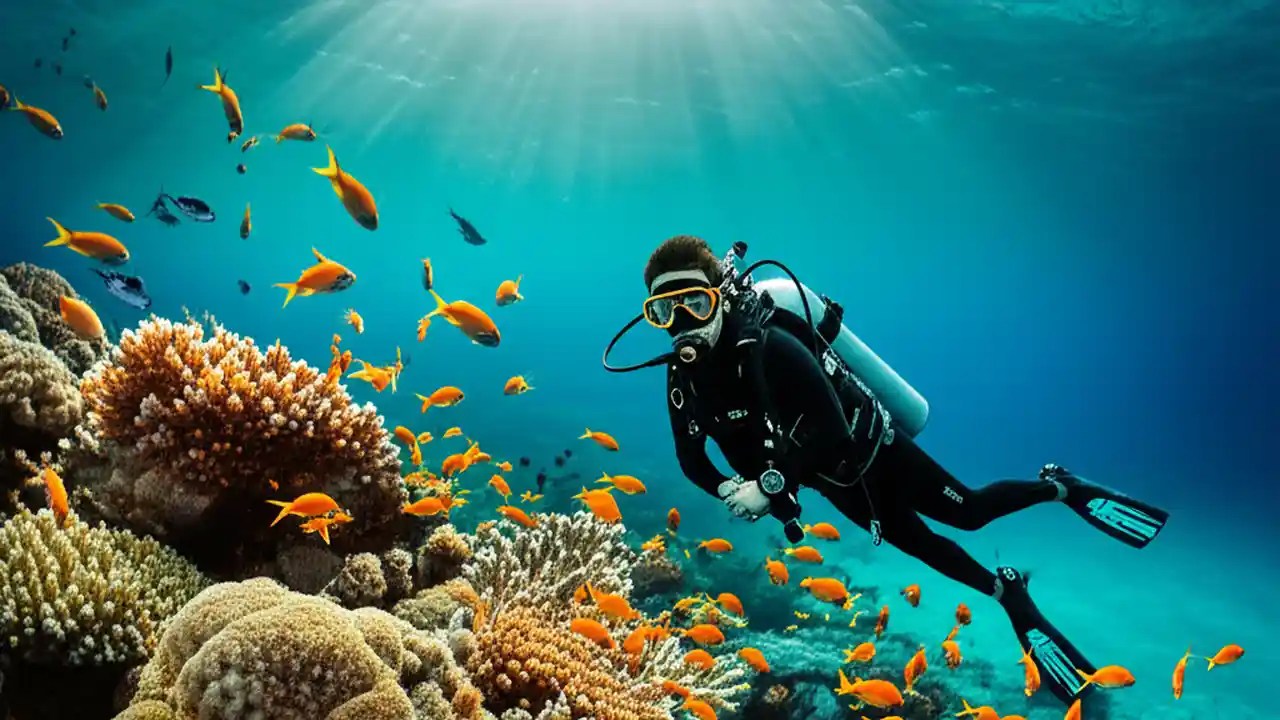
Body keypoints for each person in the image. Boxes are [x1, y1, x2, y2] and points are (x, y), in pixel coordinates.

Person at [620, 235, 1170, 708]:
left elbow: (831, 424)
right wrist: (727, 489)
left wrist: (770, 485)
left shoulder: (770, 346)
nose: (681, 324)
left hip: (876, 449)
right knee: (922, 548)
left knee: (971, 512)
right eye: (664, 312)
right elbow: (690, 459)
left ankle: (1060, 486)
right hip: (838, 485)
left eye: (694, 301)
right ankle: (1007, 595)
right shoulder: (683, 380)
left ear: (720, 296)